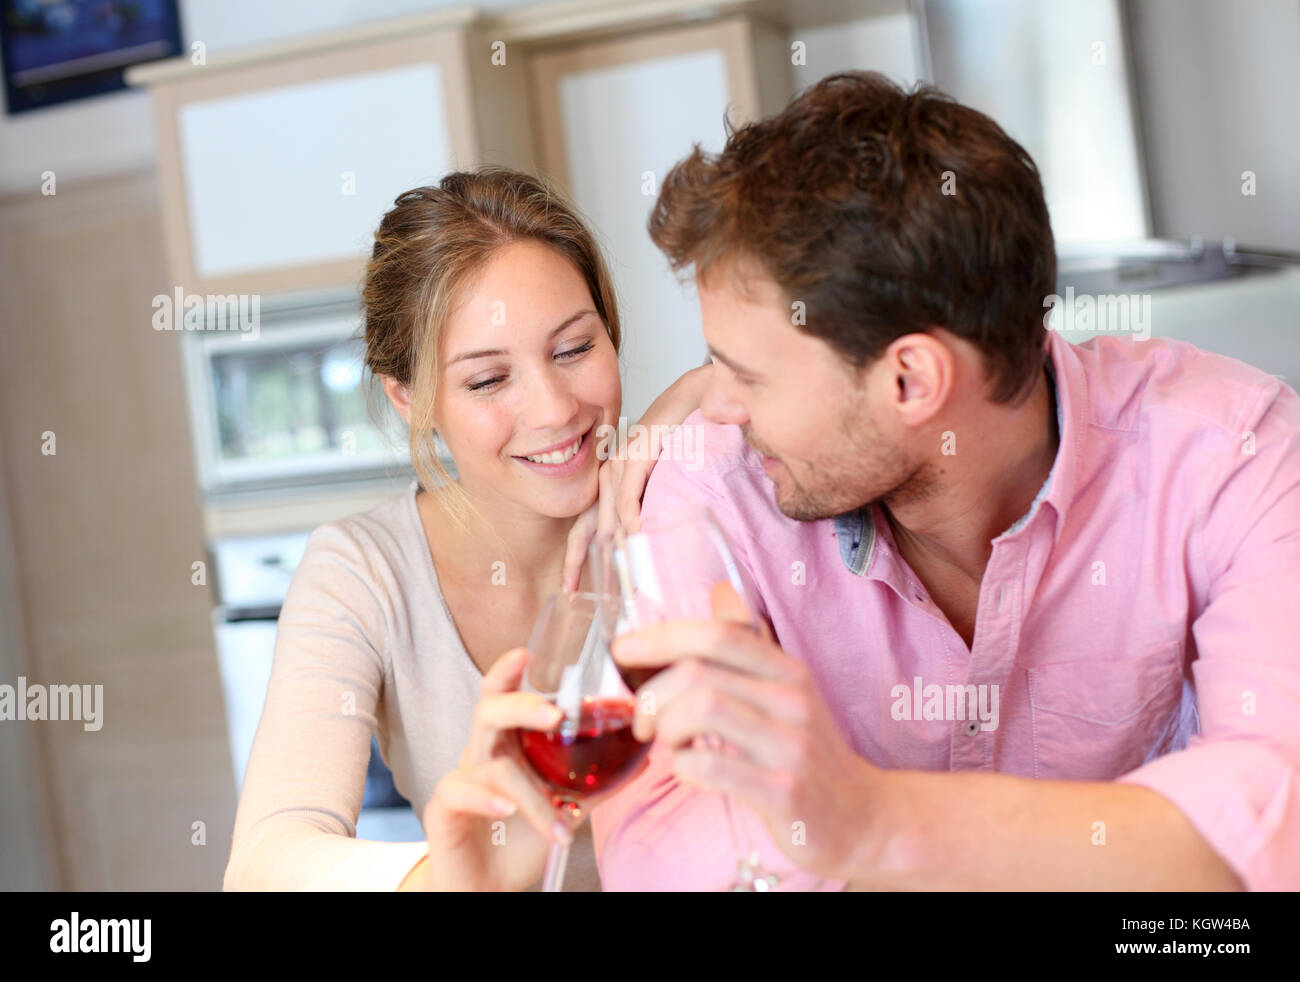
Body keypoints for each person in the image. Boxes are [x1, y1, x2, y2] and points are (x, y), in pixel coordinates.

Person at [594, 71, 1300, 891]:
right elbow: (656, 841)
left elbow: (1277, 806)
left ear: (911, 382)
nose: (713, 404)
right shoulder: (716, 491)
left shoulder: (1230, 450)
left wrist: (871, 822)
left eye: (746, 375)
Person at [223, 167, 708, 892]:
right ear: (410, 398)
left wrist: (698, 390)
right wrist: (451, 878)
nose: (553, 410)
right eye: (487, 381)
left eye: (574, 349)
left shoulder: (696, 495)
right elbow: (265, 865)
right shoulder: (364, 572)